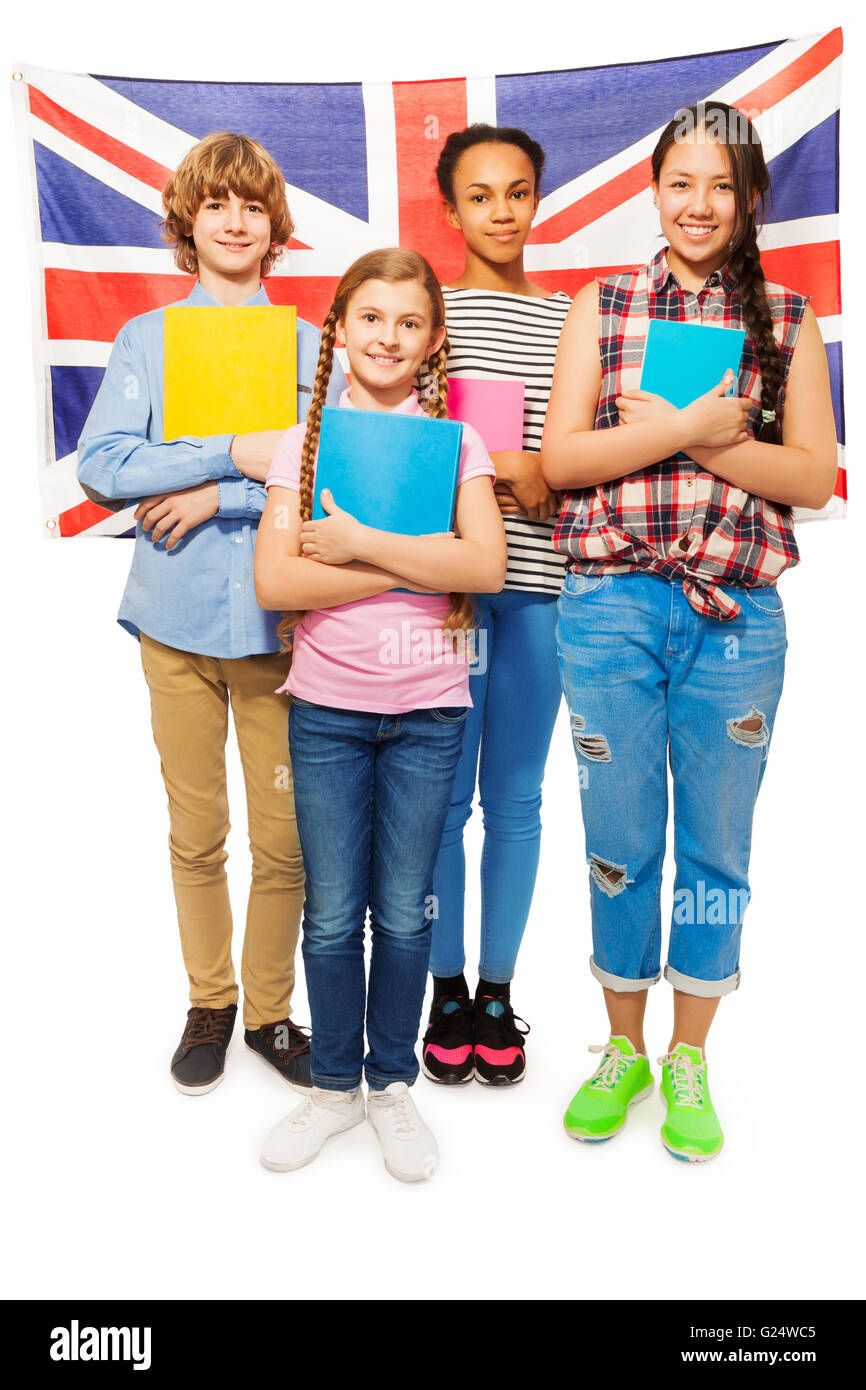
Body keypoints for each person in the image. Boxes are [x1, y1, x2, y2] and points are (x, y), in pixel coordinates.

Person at [541, 101, 837, 1160]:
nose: (698, 204)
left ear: (749, 195)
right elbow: (562, 463)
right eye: (680, 183)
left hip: (736, 617)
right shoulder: (602, 303)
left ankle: (688, 1055)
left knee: (716, 849)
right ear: (652, 191)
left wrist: (698, 446)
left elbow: (810, 475)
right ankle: (619, 1047)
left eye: (720, 185)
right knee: (617, 842)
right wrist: (689, 426)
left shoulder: (789, 318)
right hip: (609, 604)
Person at [77, 132, 346, 1097]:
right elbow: (104, 466)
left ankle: (272, 1011)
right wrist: (231, 449)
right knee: (196, 833)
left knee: (285, 841)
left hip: (281, 631)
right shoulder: (146, 340)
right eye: (216, 206)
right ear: (189, 224)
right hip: (173, 625)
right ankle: (212, 998)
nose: (235, 221)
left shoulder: (316, 346)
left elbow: (323, 476)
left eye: (252, 206)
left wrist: (216, 495)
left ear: (276, 227)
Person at [254, 248, 506, 1180]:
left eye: (408, 322)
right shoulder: (304, 441)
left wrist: (356, 544)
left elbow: (484, 569)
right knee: (331, 916)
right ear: (341, 330)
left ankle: (391, 1083)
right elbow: (276, 579)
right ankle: (334, 1087)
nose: (389, 338)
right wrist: (417, 556)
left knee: (403, 913)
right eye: (371, 319)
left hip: (429, 709)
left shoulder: (456, 444)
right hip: (324, 710)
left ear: (432, 338)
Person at [421, 124, 570, 1088]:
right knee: (439, 802)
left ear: (536, 199)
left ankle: (498, 989)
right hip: (443, 597)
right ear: (451, 210)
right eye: (480, 195)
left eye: (517, 191)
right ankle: (442, 986)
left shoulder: (569, 321)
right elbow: (409, 451)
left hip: (542, 590)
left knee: (516, 799)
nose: (502, 211)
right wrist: (506, 475)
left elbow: (574, 469)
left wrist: (528, 472)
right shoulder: (429, 318)